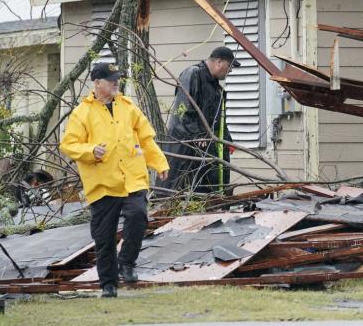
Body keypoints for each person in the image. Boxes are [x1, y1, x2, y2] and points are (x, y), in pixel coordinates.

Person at [60, 62, 169, 298]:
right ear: (97, 83)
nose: (116, 83)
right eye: (111, 80)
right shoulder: (82, 112)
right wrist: (90, 151)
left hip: (132, 178)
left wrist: (159, 163)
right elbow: (68, 144)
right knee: (104, 237)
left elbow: (146, 138)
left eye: (117, 79)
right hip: (103, 183)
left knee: (138, 216)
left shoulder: (128, 107)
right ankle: (108, 284)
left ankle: (127, 262)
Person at [161, 46, 239, 194]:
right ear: (219, 62)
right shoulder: (193, 74)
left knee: (208, 190)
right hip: (187, 146)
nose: (230, 71)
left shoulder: (215, 87)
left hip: (207, 146)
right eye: (229, 66)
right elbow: (184, 110)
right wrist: (198, 134)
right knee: (187, 190)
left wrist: (227, 139)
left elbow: (216, 118)